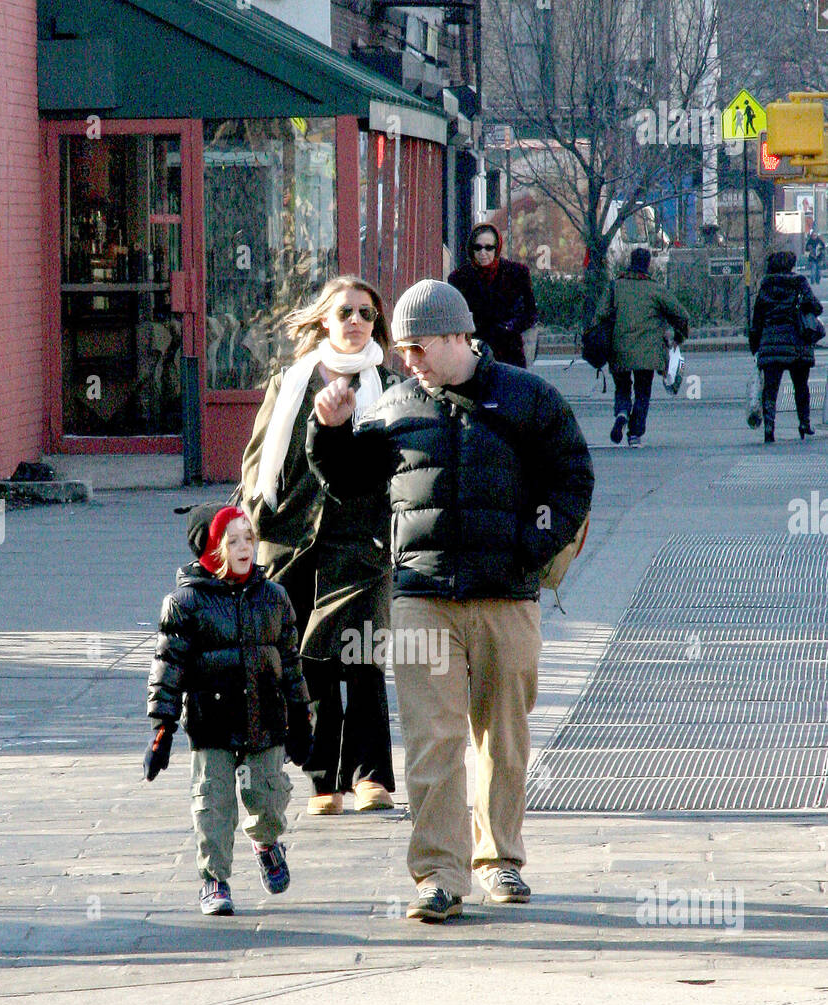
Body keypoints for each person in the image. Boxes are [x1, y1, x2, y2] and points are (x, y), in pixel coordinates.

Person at [307, 280, 593, 923]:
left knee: (504, 738)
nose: (406, 359)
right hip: (420, 595)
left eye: (416, 346)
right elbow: (349, 482)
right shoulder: (396, 405)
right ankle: (438, 873)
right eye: (401, 347)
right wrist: (329, 432)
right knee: (433, 741)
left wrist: (534, 540)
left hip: (507, 595)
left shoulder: (527, 397)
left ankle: (501, 862)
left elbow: (573, 472)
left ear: (456, 336)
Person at [240, 275, 399, 817]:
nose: (356, 321)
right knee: (310, 662)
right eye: (345, 312)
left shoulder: (390, 384)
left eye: (366, 313)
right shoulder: (290, 382)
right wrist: (252, 523)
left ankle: (372, 776)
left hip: (363, 541)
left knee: (362, 655)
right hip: (292, 540)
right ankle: (323, 780)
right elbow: (258, 460)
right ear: (324, 321)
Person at [144, 504, 312, 916]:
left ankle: (267, 843)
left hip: (265, 721)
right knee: (213, 805)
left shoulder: (274, 598)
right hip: (211, 723)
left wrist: (301, 715)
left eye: (249, 539)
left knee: (268, 802)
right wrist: (162, 729)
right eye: (232, 540)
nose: (244, 548)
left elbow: (290, 662)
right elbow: (168, 667)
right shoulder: (186, 603)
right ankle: (214, 879)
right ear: (211, 550)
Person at [595, 247, 689, 447]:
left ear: (629, 262)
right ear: (647, 265)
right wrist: (679, 337)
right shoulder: (655, 289)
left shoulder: (615, 287)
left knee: (622, 387)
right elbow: (681, 315)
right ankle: (635, 433)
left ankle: (621, 412)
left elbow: (600, 316)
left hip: (618, 349)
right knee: (642, 391)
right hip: (648, 352)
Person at [750, 248, 823, 443]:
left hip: (771, 344)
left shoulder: (765, 287)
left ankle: (769, 426)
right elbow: (816, 307)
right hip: (797, 343)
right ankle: (804, 422)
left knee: (771, 389)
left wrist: (755, 347)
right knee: (800, 386)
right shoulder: (799, 283)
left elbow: (756, 321)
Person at [448, 223, 538, 367]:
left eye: (489, 248)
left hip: (509, 351)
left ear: (497, 248)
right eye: (477, 247)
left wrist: (511, 327)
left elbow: (530, 313)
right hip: (473, 352)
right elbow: (454, 317)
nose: (483, 253)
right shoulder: (459, 278)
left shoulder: (517, 273)